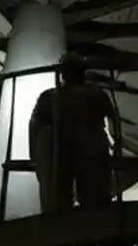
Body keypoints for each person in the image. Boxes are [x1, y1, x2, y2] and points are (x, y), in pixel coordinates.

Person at [28, 53, 119, 212]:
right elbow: (113, 118)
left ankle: (59, 215)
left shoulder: (50, 96)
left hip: (64, 148)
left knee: (59, 192)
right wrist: (117, 143)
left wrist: (34, 155)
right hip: (79, 144)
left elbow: (35, 125)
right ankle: (94, 214)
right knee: (92, 191)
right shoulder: (94, 93)